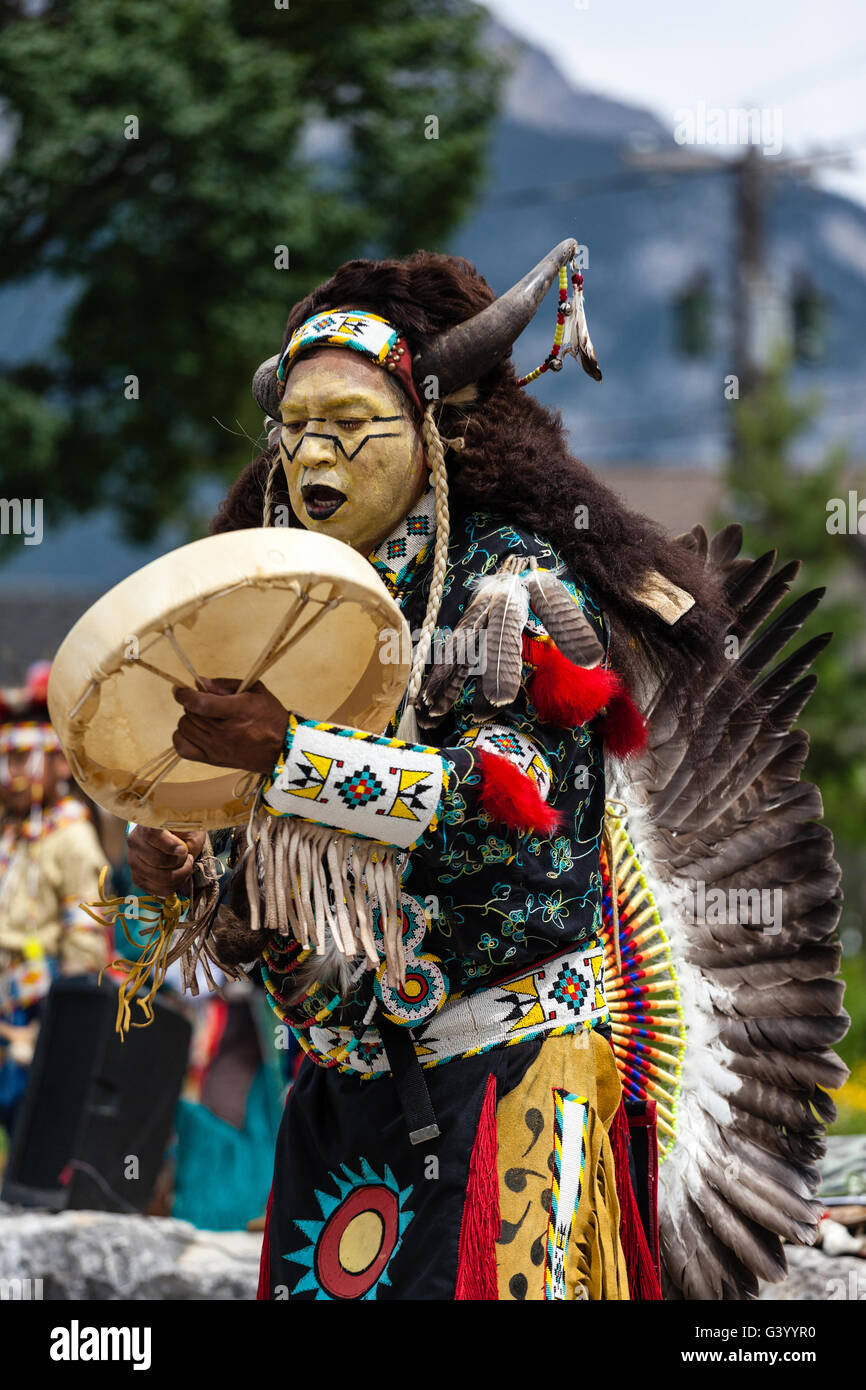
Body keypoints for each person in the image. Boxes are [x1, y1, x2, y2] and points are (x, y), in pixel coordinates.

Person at [126, 242, 845, 1301]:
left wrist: (291, 751)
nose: (313, 454)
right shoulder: (273, 613)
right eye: (297, 427)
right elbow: (284, 919)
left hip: (498, 1086)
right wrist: (198, 876)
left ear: (430, 426)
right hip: (333, 1097)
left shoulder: (511, 583)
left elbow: (515, 798)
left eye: (348, 426)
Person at [0, 662, 109, 1138]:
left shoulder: (72, 836)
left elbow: (85, 931)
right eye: (6, 758)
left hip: (44, 1003)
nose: (11, 772)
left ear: (60, 762)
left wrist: (67, 1017)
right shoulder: (10, 833)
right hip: (9, 999)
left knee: (35, 1117)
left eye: (24, 758)